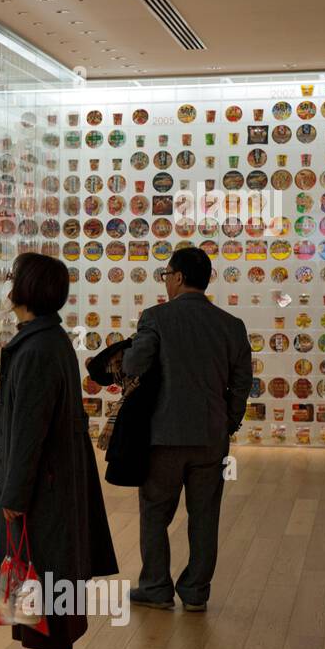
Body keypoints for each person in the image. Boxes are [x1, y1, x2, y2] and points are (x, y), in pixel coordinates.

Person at [0, 252, 117, 649]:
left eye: (13, 278)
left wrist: (15, 493)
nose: (8, 285)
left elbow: (28, 432)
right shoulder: (44, 340)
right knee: (37, 570)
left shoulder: (37, 348)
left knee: (46, 570)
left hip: (44, 487)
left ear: (26, 289)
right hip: (52, 481)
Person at [122, 247, 252, 612]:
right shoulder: (231, 325)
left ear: (177, 277)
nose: (165, 282)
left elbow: (135, 364)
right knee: (205, 515)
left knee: (155, 512)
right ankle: (195, 591)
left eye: (166, 275)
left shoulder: (156, 318)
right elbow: (243, 382)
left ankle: (155, 587)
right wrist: (228, 421)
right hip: (211, 436)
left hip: (163, 435)